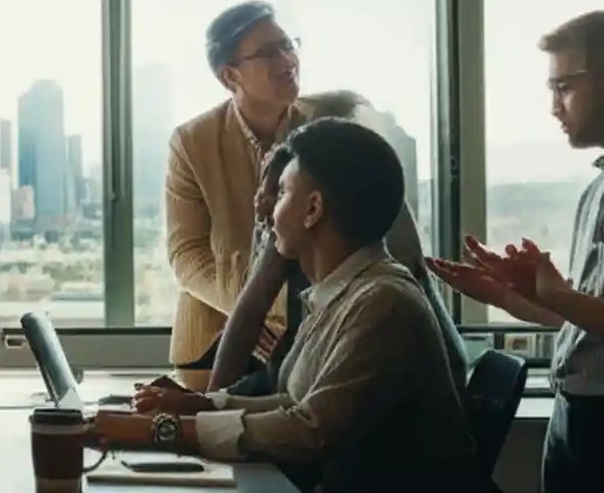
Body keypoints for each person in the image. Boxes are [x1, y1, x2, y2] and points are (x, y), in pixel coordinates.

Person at [104, 119, 479, 493]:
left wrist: (165, 431)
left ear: (313, 209)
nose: (268, 212)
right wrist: (200, 405)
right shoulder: (339, 293)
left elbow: (309, 429)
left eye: (282, 192)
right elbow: (295, 402)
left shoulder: (383, 302)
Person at [165, 0, 464, 391]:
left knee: (281, 427)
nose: (287, 59)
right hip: (220, 329)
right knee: (199, 430)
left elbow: (393, 236)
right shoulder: (192, 141)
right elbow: (186, 254)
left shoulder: (329, 127)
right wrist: (255, 311)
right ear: (230, 76)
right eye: (269, 52)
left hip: (323, 326)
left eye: (289, 45)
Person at [428, 10, 604, 493]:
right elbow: (594, 323)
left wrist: (561, 296)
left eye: (564, 86)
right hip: (575, 419)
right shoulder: (597, 188)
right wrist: (513, 297)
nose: (553, 106)